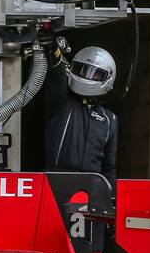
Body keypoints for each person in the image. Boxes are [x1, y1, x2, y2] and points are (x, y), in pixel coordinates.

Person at [44, 38, 118, 189]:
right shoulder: (63, 102)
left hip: (91, 188)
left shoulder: (110, 119)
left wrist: (111, 199)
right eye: (83, 70)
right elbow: (56, 77)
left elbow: (109, 168)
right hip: (55, 184)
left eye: (95, 74)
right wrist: (52, 48)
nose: (87, 76)